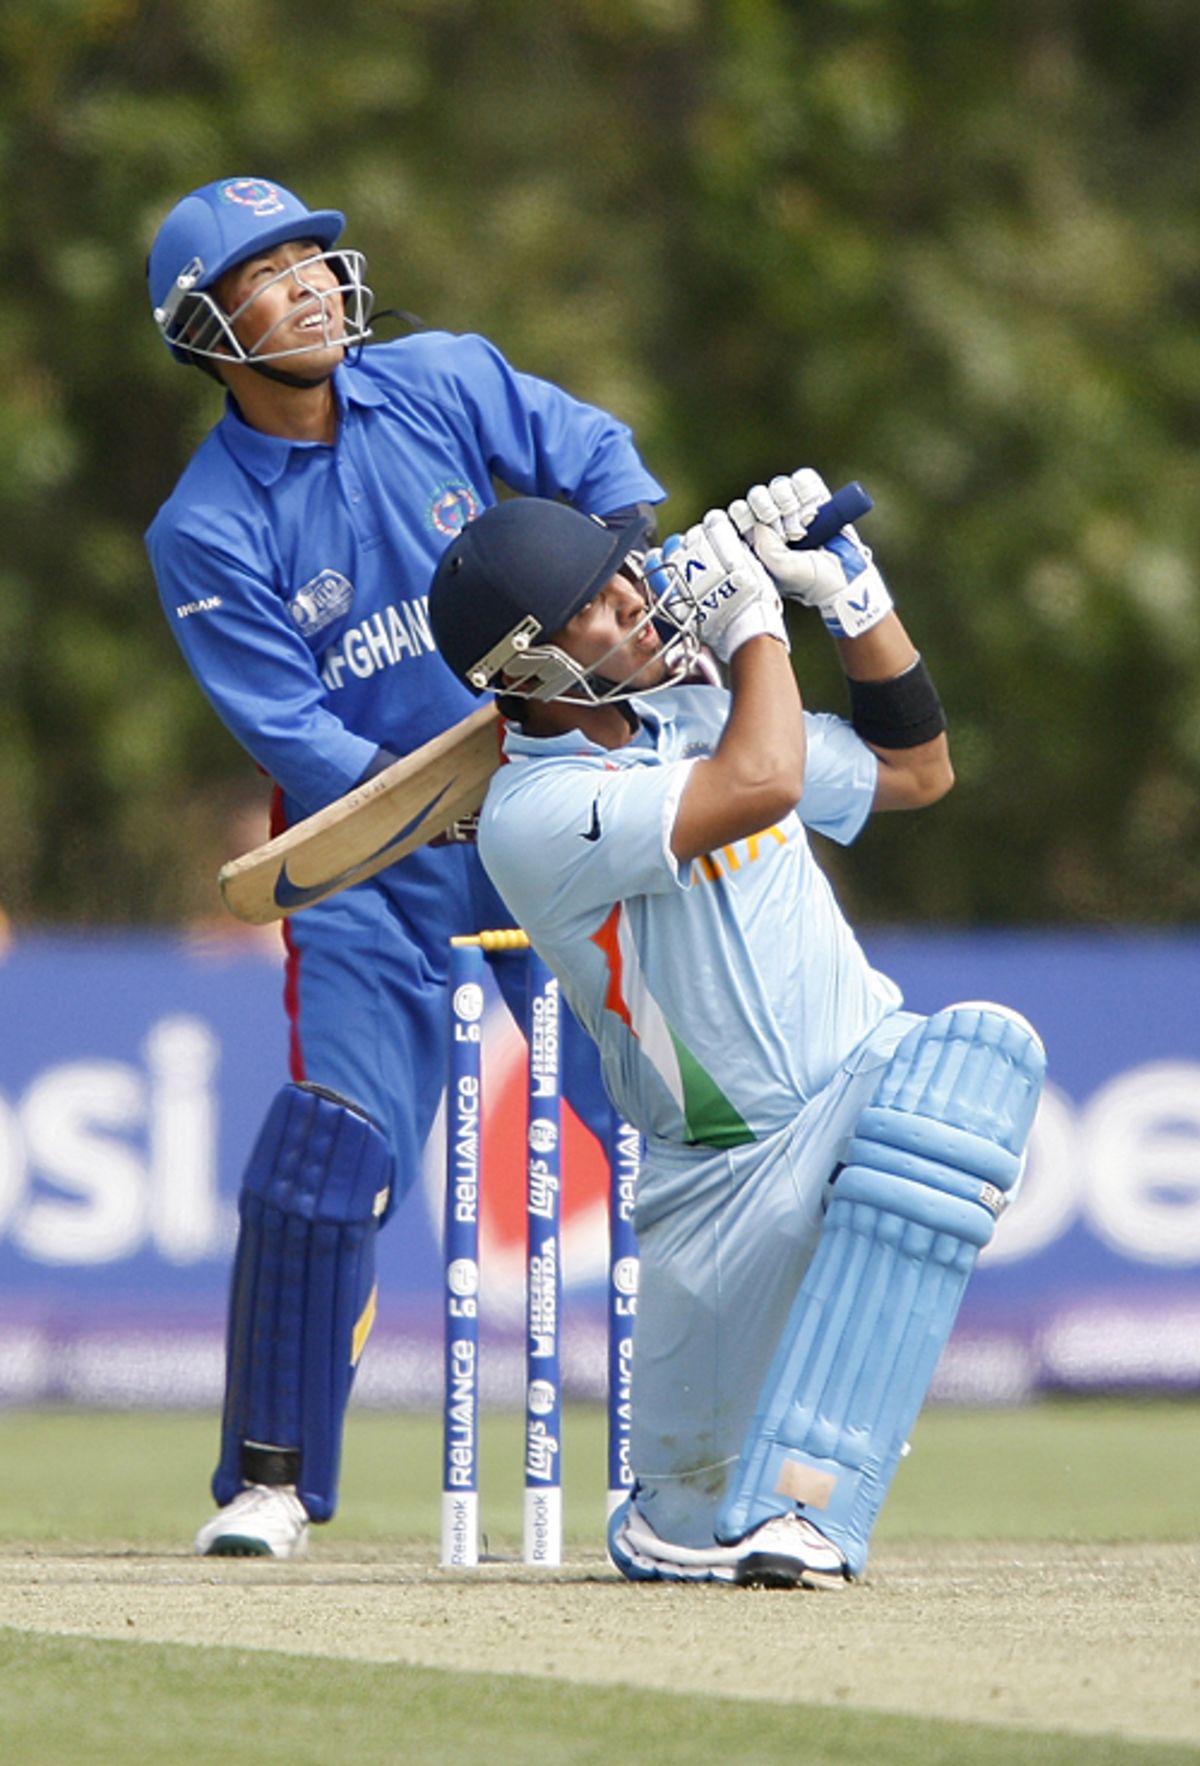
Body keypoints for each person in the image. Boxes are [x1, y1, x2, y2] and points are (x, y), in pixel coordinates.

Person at [144, 175, 666, 1558]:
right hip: (377, 862)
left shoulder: (440, 377)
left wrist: (638, 582)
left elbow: (596, 454)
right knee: (327, 1155)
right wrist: (437, 799)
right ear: (207, 330)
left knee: (669, 1118)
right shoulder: (204, 527)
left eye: (316, 259)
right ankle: (270, 1481)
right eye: (270, 275)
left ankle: (738, 1452)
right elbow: (292, 730)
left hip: (552, 811)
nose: (313, 285)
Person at [428, 477, 1046, 1586]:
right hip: (721, 1175)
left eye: (621, 575)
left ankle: (809, 1507)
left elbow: (918, 771)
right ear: (525, 673)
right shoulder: (529, 818)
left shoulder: (700, 716)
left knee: (966, 1075)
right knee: (691, 1517)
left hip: (862, 1077)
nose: (634, 598)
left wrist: (852, 601)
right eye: (594, 606)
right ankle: (693, 1516)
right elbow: (759, 783)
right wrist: (754, 621)